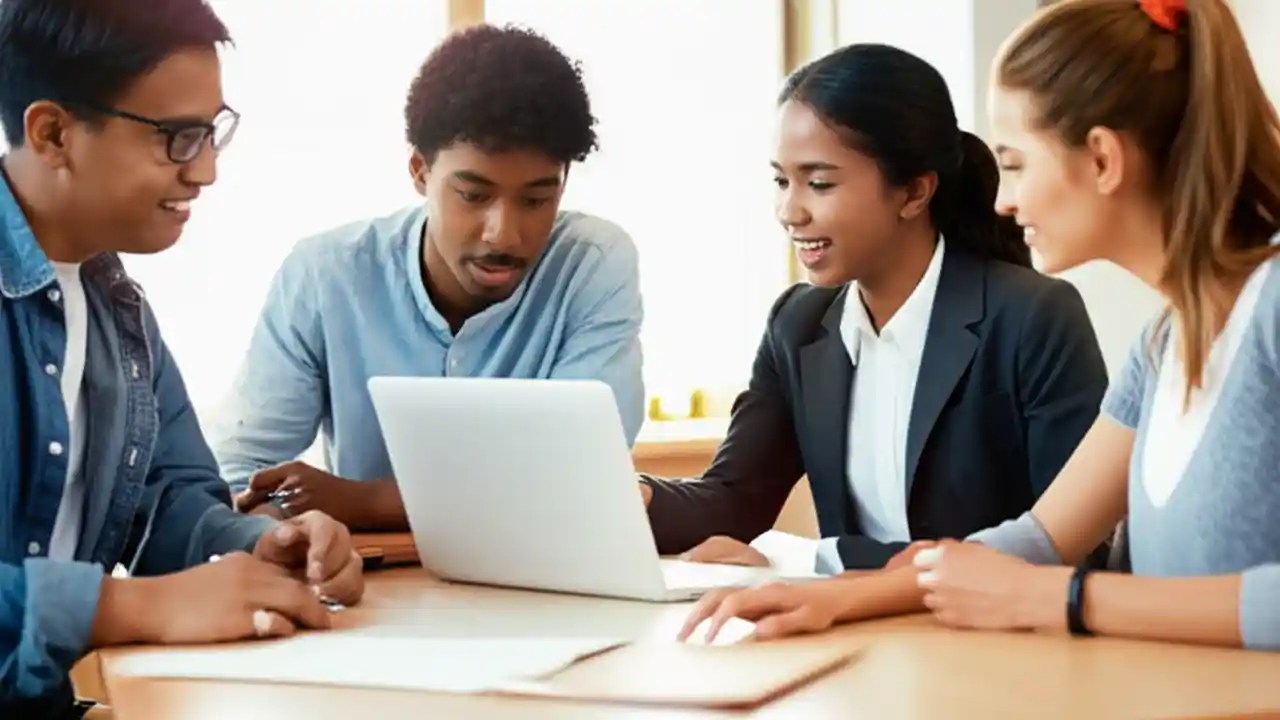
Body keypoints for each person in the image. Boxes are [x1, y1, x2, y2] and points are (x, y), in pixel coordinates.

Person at [680, 0, 1280, 652]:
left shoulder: (1270, 310)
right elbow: (1040, 537)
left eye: (1016, 162)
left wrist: (1065, 598)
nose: (1002, 199)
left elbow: (1054, 576)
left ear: (1103, 160)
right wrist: (836, 597)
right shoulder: (1162, 345)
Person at [0, 0, 364, 713]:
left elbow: (168, 501)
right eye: (177, 137)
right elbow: (140, 598)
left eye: (213, 132)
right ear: (53, 133)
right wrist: (128, 608)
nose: (206, 172)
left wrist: (259, 546)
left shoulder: (120, 312)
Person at [638, 43, 1108, 574]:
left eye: (818, 183)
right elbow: (735, 499)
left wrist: (814, 558)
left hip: (996, 640)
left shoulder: (1033, 318)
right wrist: (635, 498)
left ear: (913, 192)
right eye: (780, 180)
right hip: (861, 635)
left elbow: (1070, 548)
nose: (789, 211)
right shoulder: (799, 324)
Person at [219, 24, 645, 531]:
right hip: (370, 589)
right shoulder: (325, 275)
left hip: (538, 590)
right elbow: (236, 472)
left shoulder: (592, 265)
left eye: (536, 200)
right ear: (420, 171)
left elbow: (580, 478)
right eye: (473, 195)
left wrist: (361, 502)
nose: (503, 234)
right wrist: (277, 526)